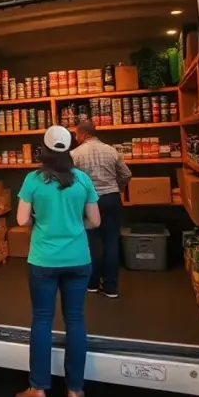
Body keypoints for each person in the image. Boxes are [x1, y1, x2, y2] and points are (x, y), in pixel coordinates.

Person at [15, 126, 101, 397]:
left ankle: (38, 389)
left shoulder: (33, 180)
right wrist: (75, 226)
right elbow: (96, 221)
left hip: (43, 260)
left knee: (42, 320)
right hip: (78, 259)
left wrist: (42, 221)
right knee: (75, 320)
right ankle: (75, 391)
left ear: (45, 150)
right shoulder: (83, 179)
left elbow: (21, 220)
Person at [70, 120, 131, 298]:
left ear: (83, 134)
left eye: (76, 134)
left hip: (88, 201)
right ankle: (111, 287)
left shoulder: (75, 154)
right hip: (112, 198)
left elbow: (69, 179)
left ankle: (92, 283)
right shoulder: (111, 150)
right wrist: (116, 187)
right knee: (111, 242)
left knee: (91, 242)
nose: (76, 138)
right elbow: (126, 174)